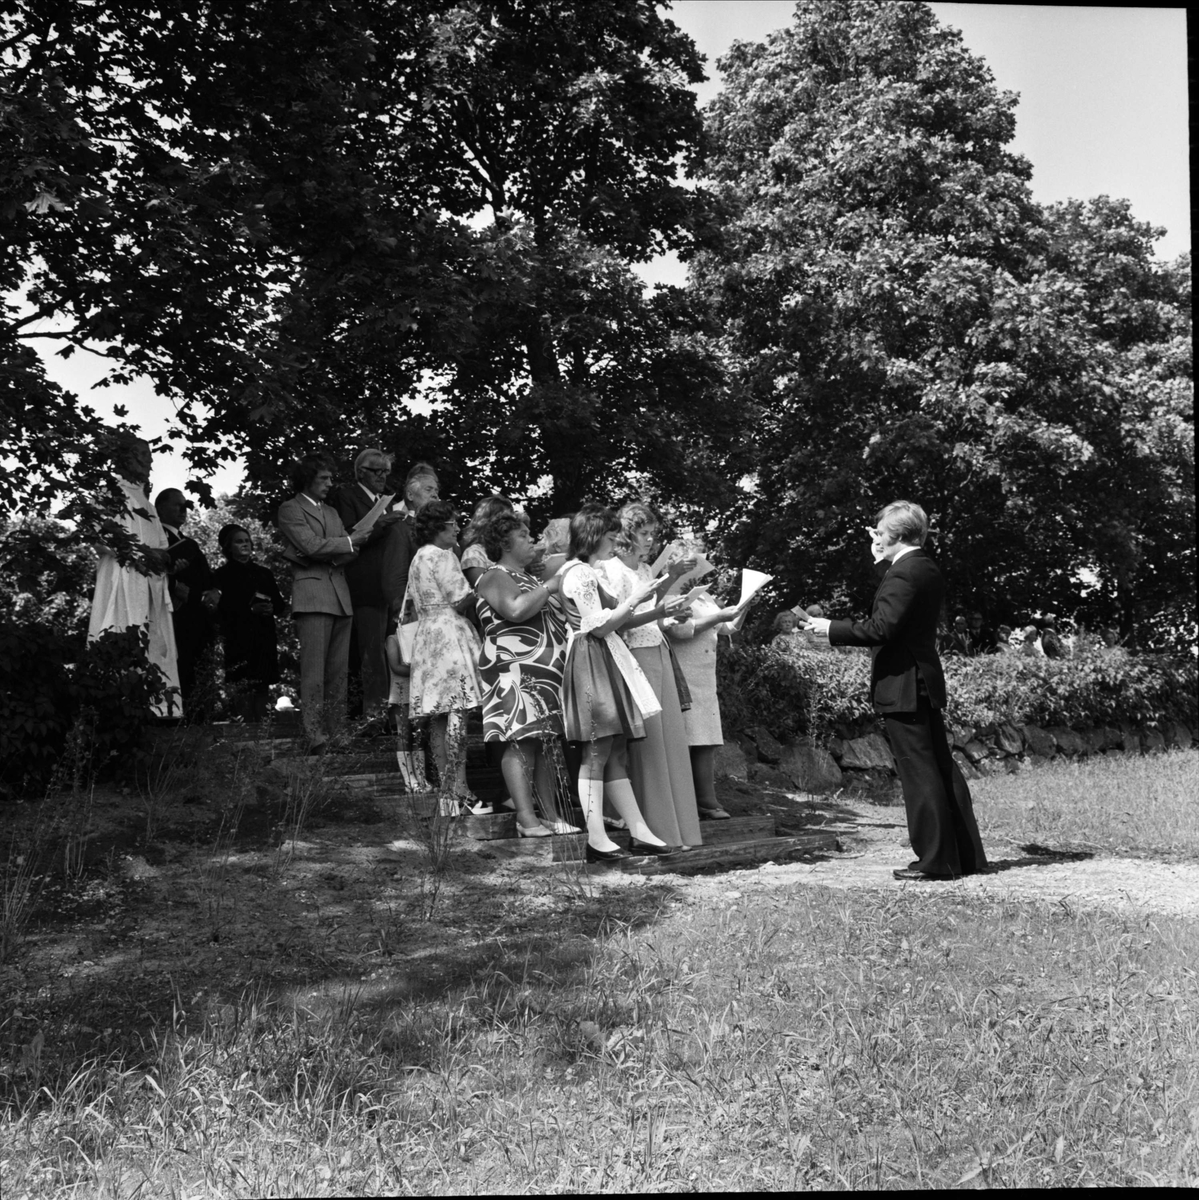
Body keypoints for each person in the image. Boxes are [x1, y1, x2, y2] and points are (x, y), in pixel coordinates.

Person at [800, 501, 987, 881]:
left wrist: (829, 628)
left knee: (920, 773)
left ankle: (936, 861)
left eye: (881, 532)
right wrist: (882, 559)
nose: (876, 537)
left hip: (904, 684)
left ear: (897, 535)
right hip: (921, 679)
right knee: (938, 766)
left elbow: (882, 628)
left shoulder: (904, 573)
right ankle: (964, 856)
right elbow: (897, 610)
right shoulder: (924, 566)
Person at [558, 504, 676, 862]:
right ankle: (595, 838)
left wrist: (655, 606)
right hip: (589, 658)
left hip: (603, 656)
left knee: (613, 750)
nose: (614, 543)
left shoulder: (590, 572)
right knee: (597, 749)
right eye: (610, 537)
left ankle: (639, 830)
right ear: (593, 537)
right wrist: (638, 599)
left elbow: (614, 621)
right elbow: (599, 624)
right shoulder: (578, 574)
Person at [597, 503, 703, 849]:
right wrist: (660, 610)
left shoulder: (643, 569)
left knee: (672, 740)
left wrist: (672, 592)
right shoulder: (607, 569)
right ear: (627, 534)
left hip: (658, 651)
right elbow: (620, 621)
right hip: (632, 657)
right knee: (651, 745)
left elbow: (652, 607)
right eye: (645, 533)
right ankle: (656, 830)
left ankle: (680, 829)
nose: (651, 540)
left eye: (652, 533)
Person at [474, 512, 579, 837]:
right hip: (514, 674)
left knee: (545, 744)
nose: (531, 540)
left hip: (545, 673)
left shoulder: (532, 578)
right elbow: (515, 609)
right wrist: (551, 585)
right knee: (519, 742)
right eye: (523, 535)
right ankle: (525, 818)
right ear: (505, 543)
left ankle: (548, 814)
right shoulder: (493, 576)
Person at [277, 454, 371, 752]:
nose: (331, 484)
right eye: (324, 479)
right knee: (314, 672)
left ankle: (337, 733)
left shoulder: (330, 511)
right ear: (307, 479)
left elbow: (345, 551)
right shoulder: (290, 508)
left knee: (338, 674)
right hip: (313, 596)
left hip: (340, 594)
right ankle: (315, 735)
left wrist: (331, 548)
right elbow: (311, 545)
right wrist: (342, 543)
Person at [88, 434, 182, 719]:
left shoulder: (147, 502)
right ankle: (121, 708)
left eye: (150, 454)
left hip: (151, 583)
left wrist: (166, 559)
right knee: (121, 632)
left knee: (154, 640)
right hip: (123, 579)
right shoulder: (110, 493)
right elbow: (99, 536)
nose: (149, 460)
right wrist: (144, 553)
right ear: (125, 457)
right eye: (142, 454)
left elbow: (162, 545)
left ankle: (159, 709)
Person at [406, 499, 486, 811]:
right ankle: (461, 787)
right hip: (449, 636)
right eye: (453, 523)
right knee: (457, 711)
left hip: (426, 636)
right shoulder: (443, 555)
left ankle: (446, 789)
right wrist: (482, 588)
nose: (457, 529)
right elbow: (459, 599)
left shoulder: (417, 558)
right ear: (440, 527)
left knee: (438, 716)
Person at [665, 537, 752, 821]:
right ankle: (696, 801)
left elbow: (727, 627)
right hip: (683, 672)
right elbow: (679, 631)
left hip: (704, 676)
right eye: (694, 562)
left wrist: (745, 604)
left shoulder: (702, 594)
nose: (700, 568)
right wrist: (717, 619)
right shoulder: (667, 593)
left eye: (700, 562)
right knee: (689, 739)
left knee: (706, 739)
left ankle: (703, 798)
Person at [328, 448, 409, 727]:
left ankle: (393, 713)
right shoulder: (346, 496)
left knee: (391, 653)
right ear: (361, 471)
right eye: (377, 471)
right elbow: (346, 538)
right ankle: (373, 717)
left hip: (391, 588)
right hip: (364, 586)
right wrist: (382, 523)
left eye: (386, 472)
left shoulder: (386, 501)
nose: (383, 477)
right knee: (370, 653)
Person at [212, 524, 287, 722]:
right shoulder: (220, 576)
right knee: (242, 687)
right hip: (238, 640)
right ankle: (244, 734)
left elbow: (280, 604)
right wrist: (248, 610)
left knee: (262, 687)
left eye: (247, 541)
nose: (245, 544)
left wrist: (272, 608)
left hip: (263, 638)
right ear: (229, 547)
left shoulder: (264, 573)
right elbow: (220, 611)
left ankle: (262, 733)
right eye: (239, 541)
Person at [155, 487, 220, 712]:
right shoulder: (155, 538)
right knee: (181, 671)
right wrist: (173, 582)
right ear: (160, 507)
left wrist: (216, 591)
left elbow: (207, 577)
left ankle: (201, 717)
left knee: (200, 673)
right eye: (177, 504)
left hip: (199, 617)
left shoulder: (188, 542)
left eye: (185, 505)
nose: (183, 510)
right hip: (174, 617)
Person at [461, 494, 516, 586]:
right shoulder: (474, 553)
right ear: (487, 521)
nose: (510, 525)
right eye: (504, 520)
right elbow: (486, 588)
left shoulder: (507, 550)